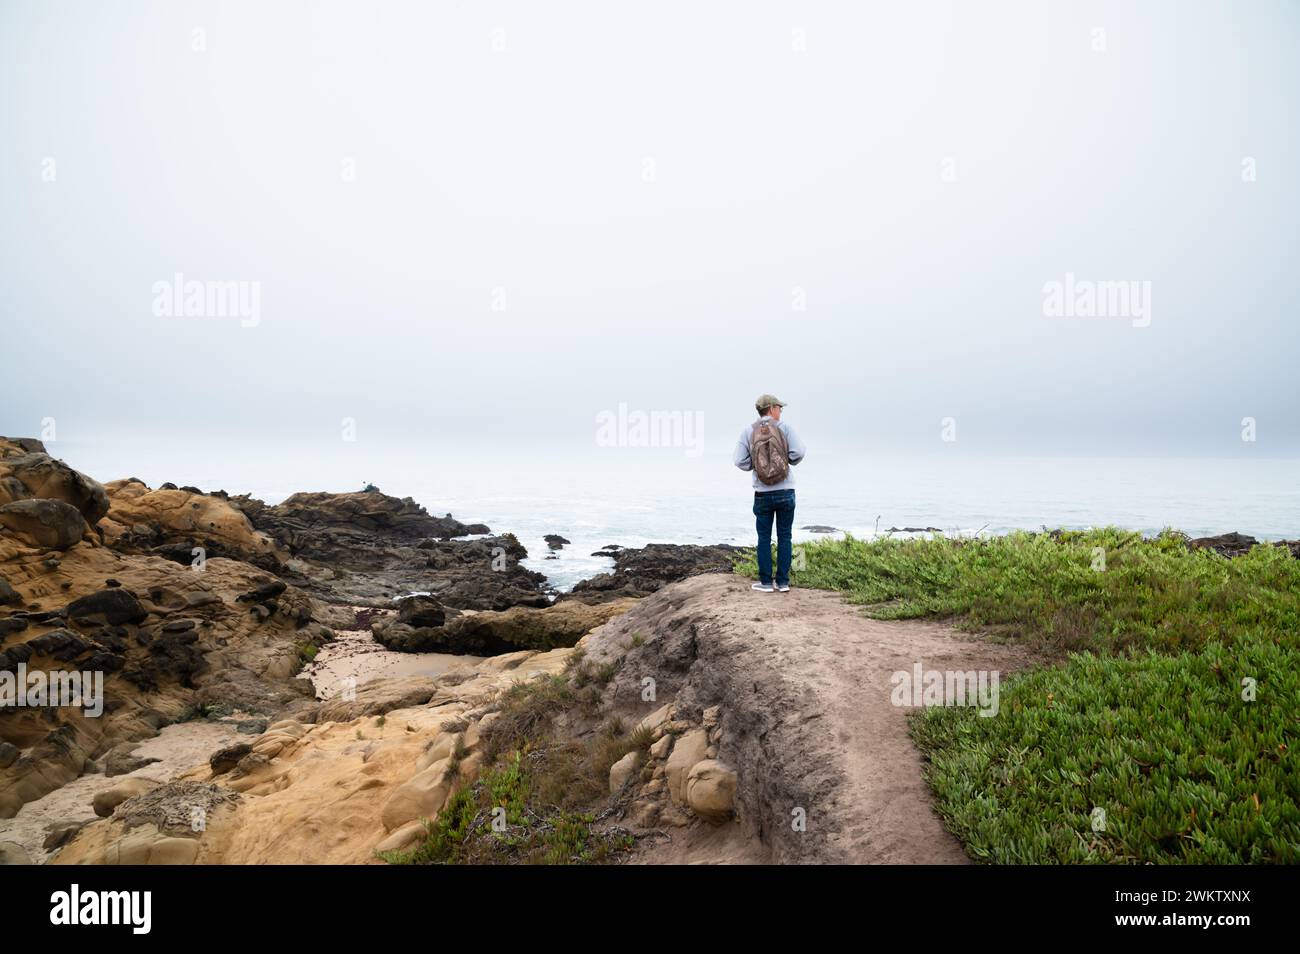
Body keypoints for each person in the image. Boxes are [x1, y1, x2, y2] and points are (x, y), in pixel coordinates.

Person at [733, 394, 806, 592]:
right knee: (785, 536)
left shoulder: (748, 431)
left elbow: (739, 461)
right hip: (785, 490)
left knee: (763, 537)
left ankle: (765, 583)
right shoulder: (784, 428)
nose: (781, 411)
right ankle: (783, 583)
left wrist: (756, 467)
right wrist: (786, 462)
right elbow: (799, 451)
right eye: (779, 408)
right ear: (772, 408)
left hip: (762, 493)